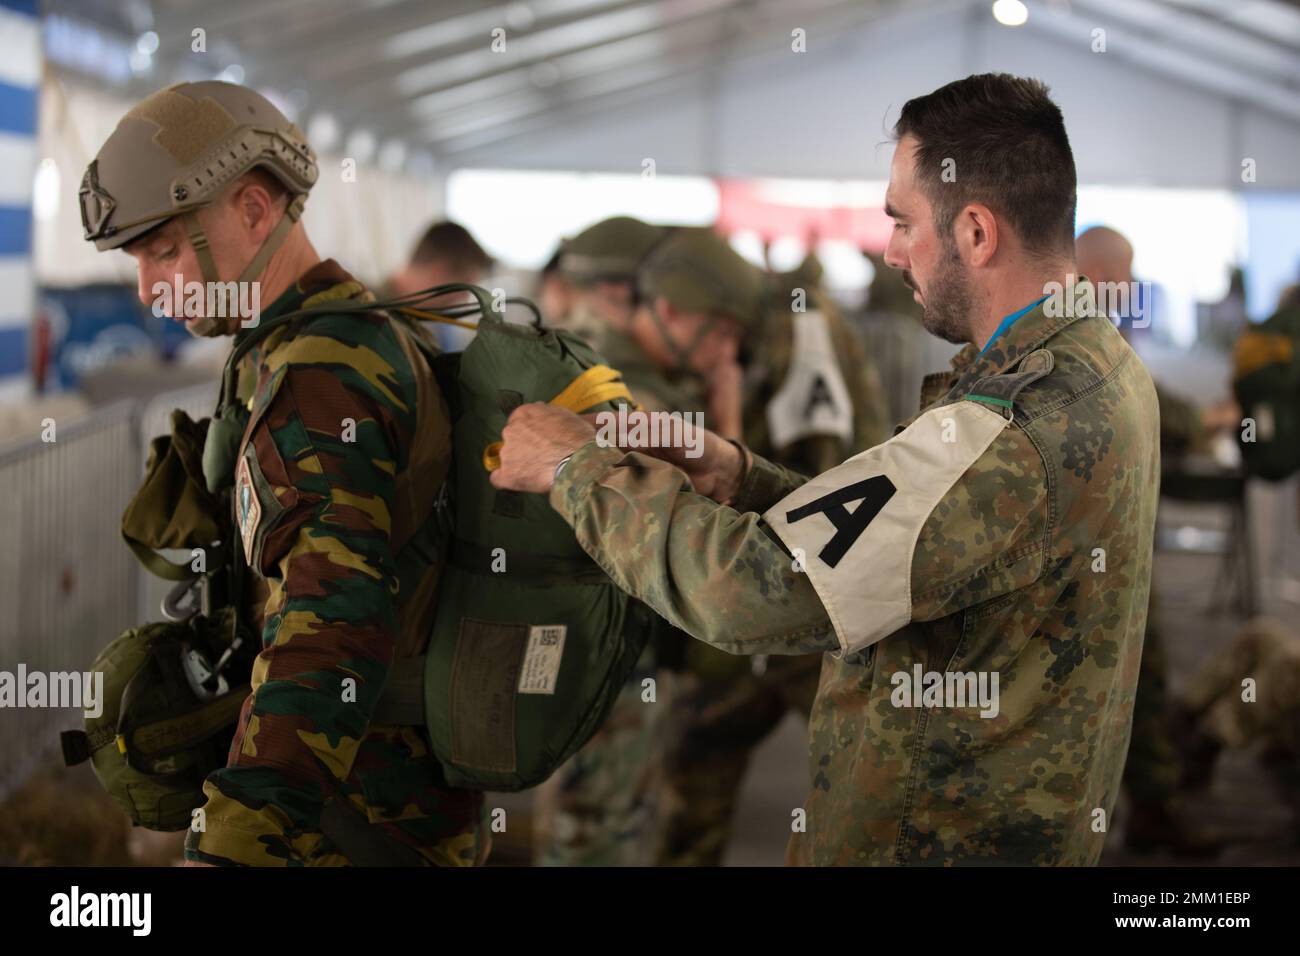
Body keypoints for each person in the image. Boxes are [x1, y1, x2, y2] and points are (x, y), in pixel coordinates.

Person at [490, 73, 1161, 866]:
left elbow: (748, 593)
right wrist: (739, 476)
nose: (890, 249)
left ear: (976, 233)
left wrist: (575, 468)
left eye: (902, 221)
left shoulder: (1013, 426)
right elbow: (904, 537)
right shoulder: (1091, 364)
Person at [80, 81, 485, 866]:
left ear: (255, 211)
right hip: (363, 791)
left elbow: (333, 617)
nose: (146, 288)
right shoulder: (299, 338)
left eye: (163, 250)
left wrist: (244, 825)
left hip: (356, 811)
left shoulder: (320, 371)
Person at [384, 219, 492, 353]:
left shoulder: (431, 326)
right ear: (438, 273)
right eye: (464, 289)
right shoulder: (360, 308)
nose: (464, 298)